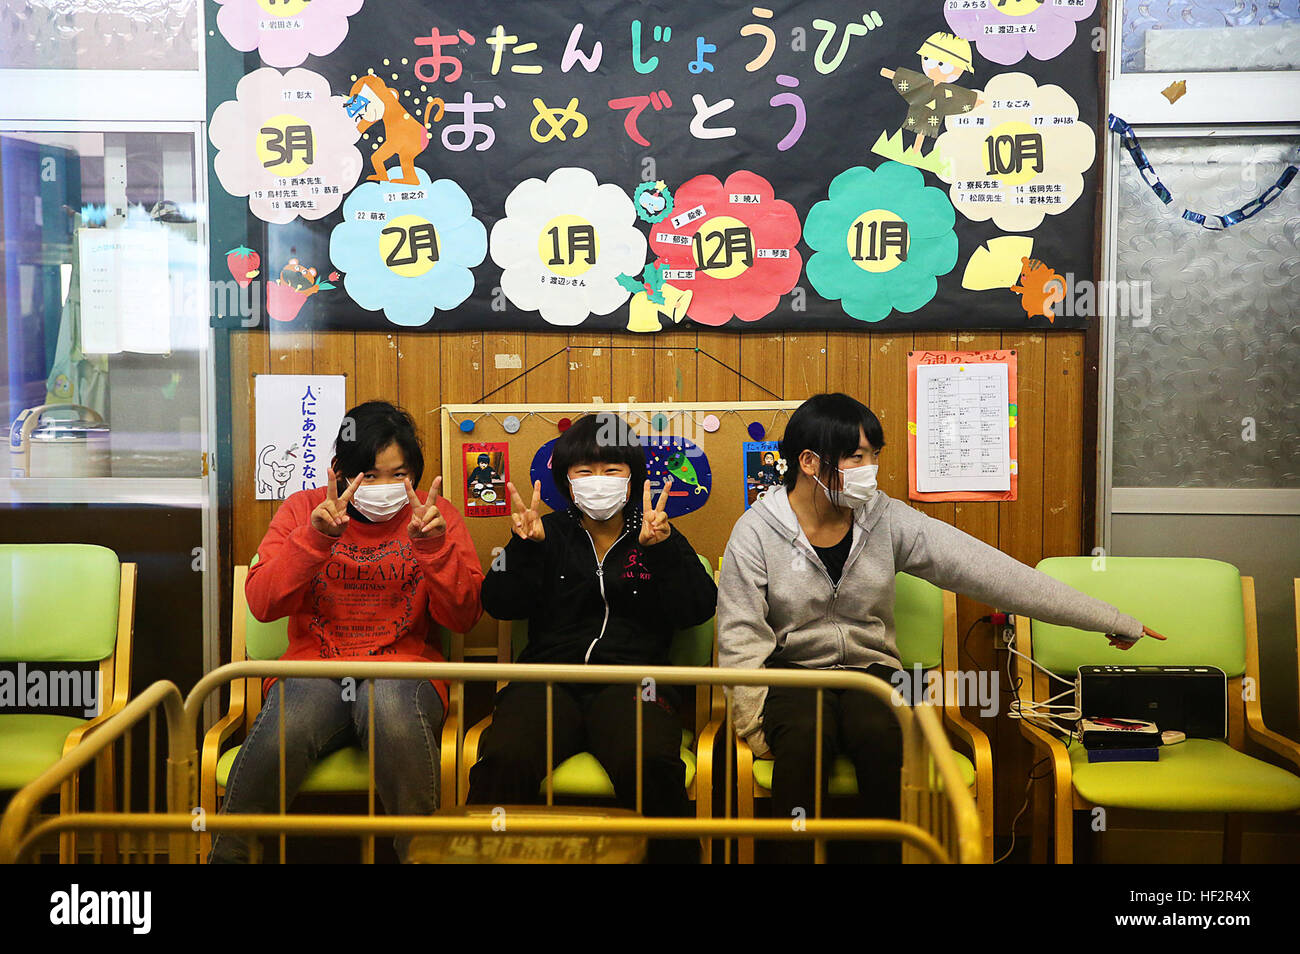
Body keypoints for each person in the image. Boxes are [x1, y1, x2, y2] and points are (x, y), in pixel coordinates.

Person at [717, 393, 1164, 863]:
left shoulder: (886, 519)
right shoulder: (756, 531)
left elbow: (992, 573)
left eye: (874, 455)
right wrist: (754, 724)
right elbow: (740, 634)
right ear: (809, 462)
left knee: (881, 734)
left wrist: (1111, 619)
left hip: (874, 670)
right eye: (856, 457)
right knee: (804, 741)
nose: (870, 468)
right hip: (794, 673)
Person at [209, 401, 483, 863]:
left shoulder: (435, 515)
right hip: (314, 671)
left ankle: (422, 857)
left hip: (403, 672)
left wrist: (434, 549)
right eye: (369, 475)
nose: (384, 488)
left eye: (398, 474)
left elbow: (465, 617)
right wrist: (314, 539)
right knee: (286, 727)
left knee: (392, 712)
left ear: (414, 474)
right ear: (341, 470)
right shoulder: (303, 508)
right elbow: (261, 601)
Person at [466, 413, 718, 862]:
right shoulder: (545, 532)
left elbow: (697, 609)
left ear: (632, 476)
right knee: (503, 760)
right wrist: (521, 549)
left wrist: (660, 554)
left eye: (611, 470)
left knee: (652, 766)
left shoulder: (657, 532)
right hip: (547, 682)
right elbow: (499, 603)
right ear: (566, 479)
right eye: (584, 471)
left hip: (635, 685)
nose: (597, 481)